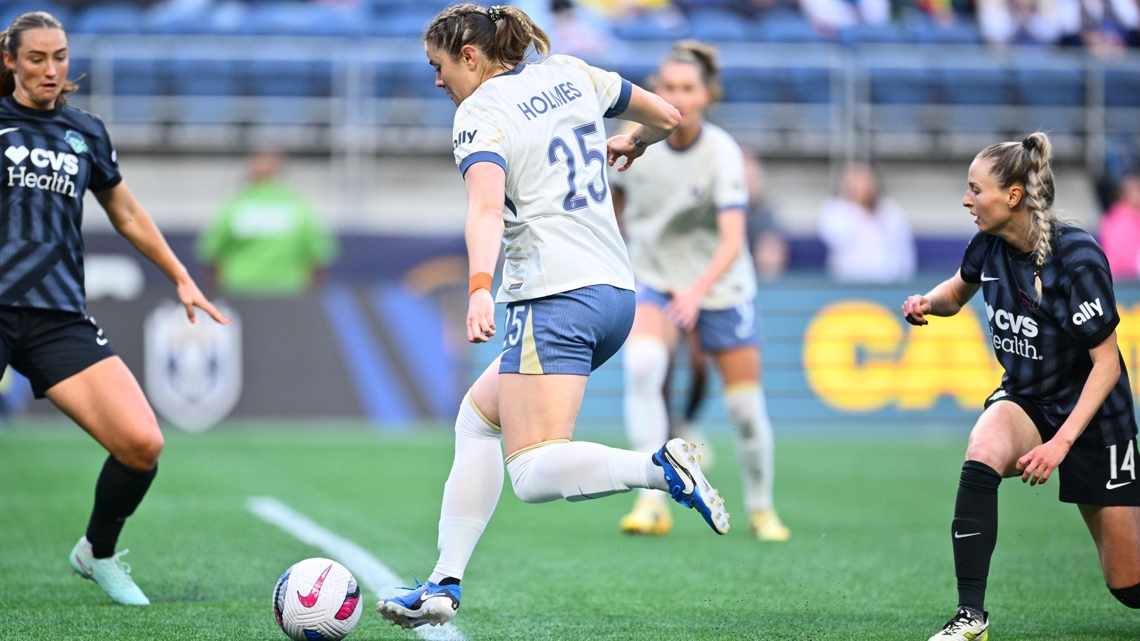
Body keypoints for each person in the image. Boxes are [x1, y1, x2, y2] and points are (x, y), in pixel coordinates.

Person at [376, 4, 727, 630]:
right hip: (615, 293)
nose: (437, 80)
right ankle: (443, 584)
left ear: (470, 56)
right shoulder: (570, 71)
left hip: (556, 294)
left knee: (533, 470)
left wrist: (479, 288)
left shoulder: (479, 113)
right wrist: (635, 141)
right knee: (478, 419)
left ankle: (658, 468)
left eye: (438, 65)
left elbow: (485, 209)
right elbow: (669, 117)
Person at [0, 12, 228, 605]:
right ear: (10, 61)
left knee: (141, 443)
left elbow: (125, 212)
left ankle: (96, 552)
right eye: (36, 58)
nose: (50, 69)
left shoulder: (85, 133)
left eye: (59, 57)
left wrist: (180, 275)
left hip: (57, 315)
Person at [901, 132, 1140, 641]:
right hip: (1028, 400)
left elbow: (1106, 367)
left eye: (975, 189)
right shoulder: (987, 244)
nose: (966, 200)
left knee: (1129, 584)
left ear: (1012, 196)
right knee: (983, 450)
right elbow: (956, 293)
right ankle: (971, 617)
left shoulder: (1076, 257)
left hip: (1096, 419)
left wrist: (1061, 444)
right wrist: (927, 303)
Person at [609, 41, 789, 542]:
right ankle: (651, 502)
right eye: (668, 87)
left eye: (688, 88)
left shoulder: (722, 153)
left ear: (707, 95)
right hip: (656, 279)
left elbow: (734, 240)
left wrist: (695, 292)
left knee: (745, 411)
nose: (677, 96)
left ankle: (761, 508)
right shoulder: (631, 142)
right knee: (642, 366)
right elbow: (611, 210)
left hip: (721, 286)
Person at [195, 150, 338, 295]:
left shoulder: (234, 206)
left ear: (250, 173)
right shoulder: (298, 207)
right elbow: (319, 257)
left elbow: (211, 255)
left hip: (240, 292)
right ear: (279, 173)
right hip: (288, 293)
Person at [819, 161, 917, 283]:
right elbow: (837, 238)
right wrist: (858, 205)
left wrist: (905, 278)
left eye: (866, 180)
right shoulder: (836, 210)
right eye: (857, 182)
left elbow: (904, 247)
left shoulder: (890, 209)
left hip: (888, 283)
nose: (863, 186)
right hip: (849, 283)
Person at [1098, 173, 1140, 280]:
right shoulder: (1116, 218)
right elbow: (1120, 255)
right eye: (1135, 191)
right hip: (1121, 279)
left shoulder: (1136, 215)